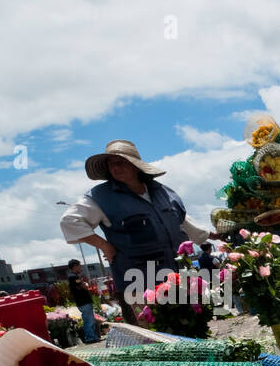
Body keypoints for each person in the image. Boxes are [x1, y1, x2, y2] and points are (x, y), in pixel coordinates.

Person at [59, 140, 215, 326]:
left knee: (192, 327)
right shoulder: (100, 197)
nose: (114, 167)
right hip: (139, 283)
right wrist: (103, 245)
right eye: (110, 163)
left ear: (135, 165)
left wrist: (213, 235)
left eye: (120, 162)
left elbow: (182, 221)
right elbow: (69, 221)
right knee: (157, 337)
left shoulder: (162, 192)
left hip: (178, 276)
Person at [66, 259, 100, 343]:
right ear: (75, 266)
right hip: (83, 302)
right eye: (79, 266)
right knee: (88, 320)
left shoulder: (74, 277)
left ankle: (93, 336)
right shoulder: (73, 277)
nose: (80, 268)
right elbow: (84, 286)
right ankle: (90, 338)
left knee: (90, 319)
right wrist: (83, 281)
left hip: (84, 302)